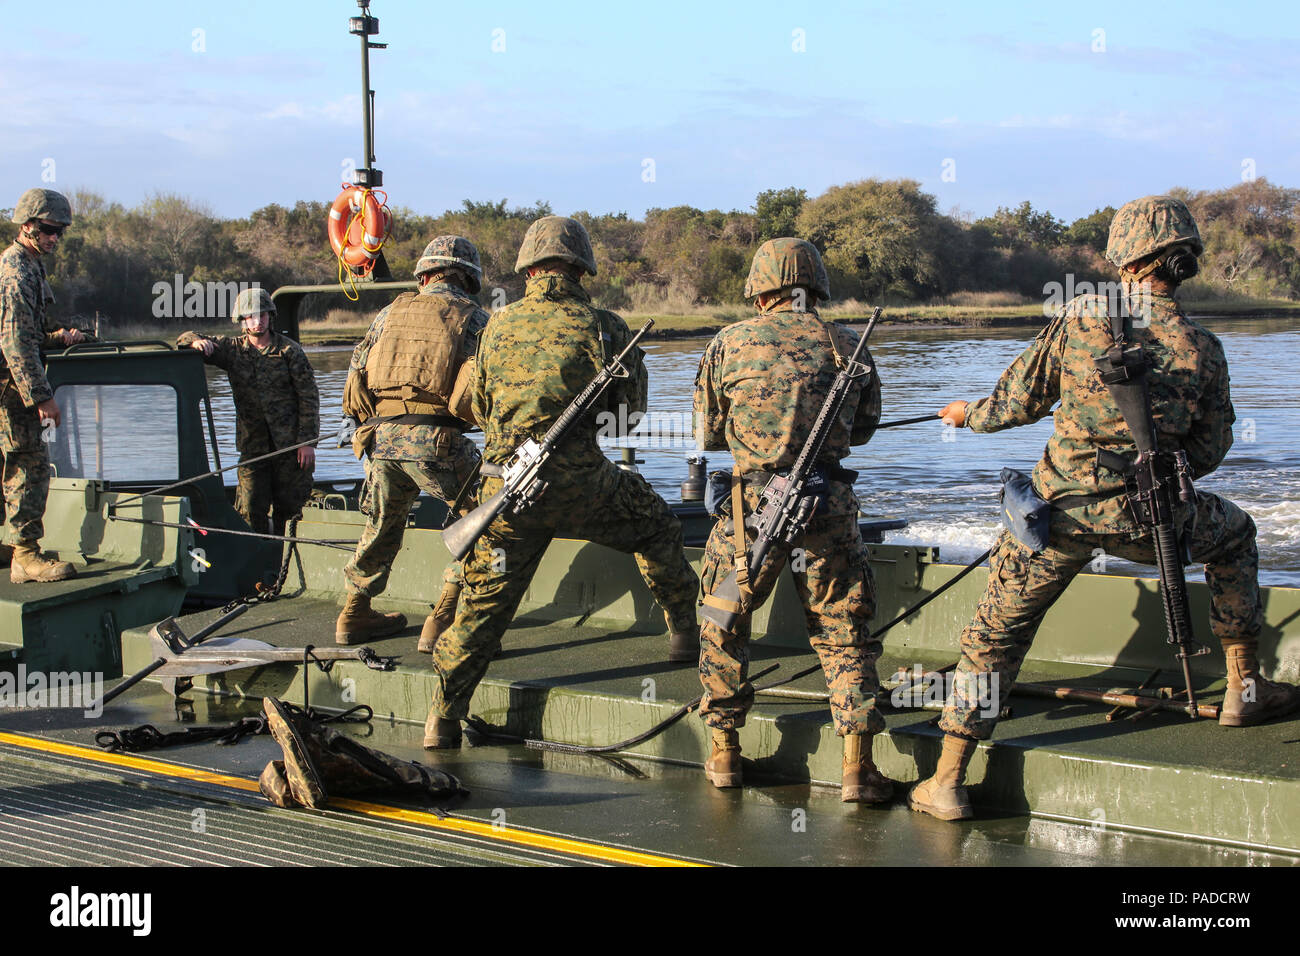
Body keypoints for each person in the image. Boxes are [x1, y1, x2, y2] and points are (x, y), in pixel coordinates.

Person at [910, 195, 1300, 822]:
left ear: (1124, 256)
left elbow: (1015, 400)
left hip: (1054, 520)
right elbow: (1210, 448)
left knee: (994, 636)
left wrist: (967, 415)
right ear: (1185, 262)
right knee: (1237, 532)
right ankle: (1242, 691)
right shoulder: (1203, 345)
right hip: (1154, 523)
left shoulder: (1082, 317)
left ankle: (948, 782)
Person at [422, 216, 700, 749]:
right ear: (580, 266)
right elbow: (629, 415)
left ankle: (442, 718)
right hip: (584, 489)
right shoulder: (605, 327)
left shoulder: (495, 326)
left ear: (527, 268)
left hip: (505, 489)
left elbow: (477, 408)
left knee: (483, 607)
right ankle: (684, 635)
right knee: (658, 524)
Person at [692, 237, 892, 802]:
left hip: (749, 509)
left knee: (723, 621)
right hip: (827, 506)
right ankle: (857, 768)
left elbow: (708, 432)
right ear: (816, 286)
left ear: (759, 292)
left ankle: (725, 755)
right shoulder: (849, 344)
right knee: (843, 634)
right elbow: (865, 427)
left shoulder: (728, 344)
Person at [335, 236, 487, 647]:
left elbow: (356, 375)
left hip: (379, 440)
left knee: (382, 521)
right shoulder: (474, 317)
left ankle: (354, 612)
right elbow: (487, 388)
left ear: (424, 274)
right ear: (468, 277)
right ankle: (443, 617)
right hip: (437, 441)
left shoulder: (388, 314)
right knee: (483, 515)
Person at [178, 287, 319, 537]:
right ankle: (258, 564)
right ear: (242, 320)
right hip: (253, 447)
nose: (258, 321)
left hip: (289, 447)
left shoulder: (289, 351)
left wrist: (307, 443)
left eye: (263, 315)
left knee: (291, 510)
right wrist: (194, 342)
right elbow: (185, 339)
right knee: (251, 506)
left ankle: (288, 561)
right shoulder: (233, 350)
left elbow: (308, 397)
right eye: (251, 316)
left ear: (270, 317)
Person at [0, 188, 89, 582]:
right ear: (27, 226)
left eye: (60, 231)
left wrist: (58, 336)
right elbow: (14, 342)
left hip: (13, 380)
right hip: (12, 387)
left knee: (16, 463)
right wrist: (41, 397)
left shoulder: (31, 265)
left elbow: (29, 333)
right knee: (29, 464)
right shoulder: (17, 270)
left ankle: (15, 548)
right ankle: (25, 555)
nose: (55, 237)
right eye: (49, 229)